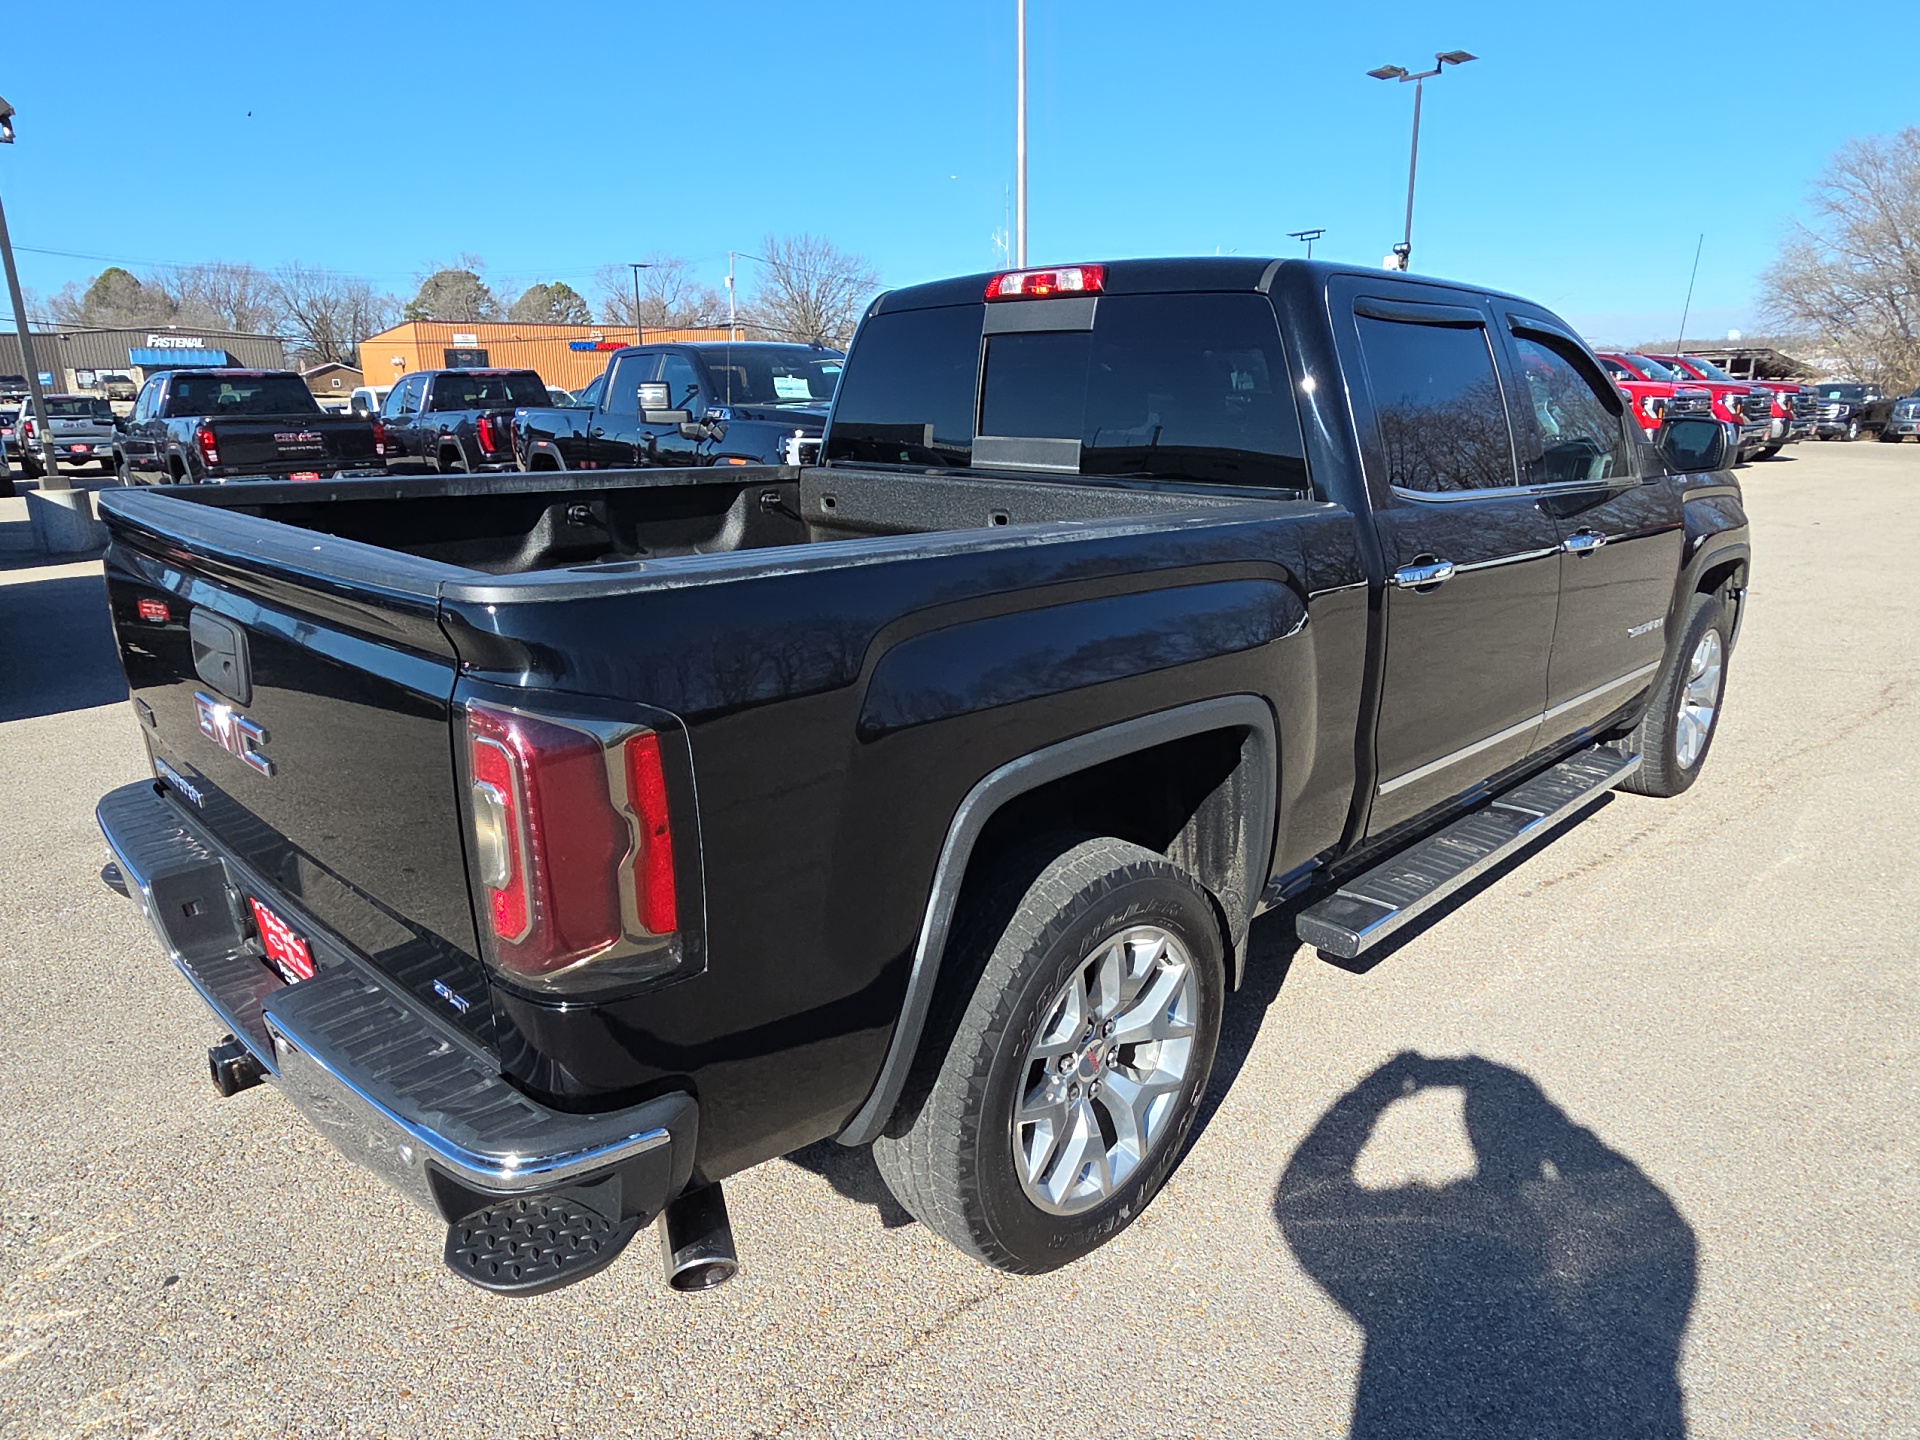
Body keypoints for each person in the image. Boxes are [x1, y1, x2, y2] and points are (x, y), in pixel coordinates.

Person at [1275, 1053, 1696, 1439]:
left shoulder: (1423, 1242)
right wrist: (1554, 1126)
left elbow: (1304, 1199)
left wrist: (1379, 1089)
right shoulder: (1639, 1246)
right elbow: (1604, 1170)